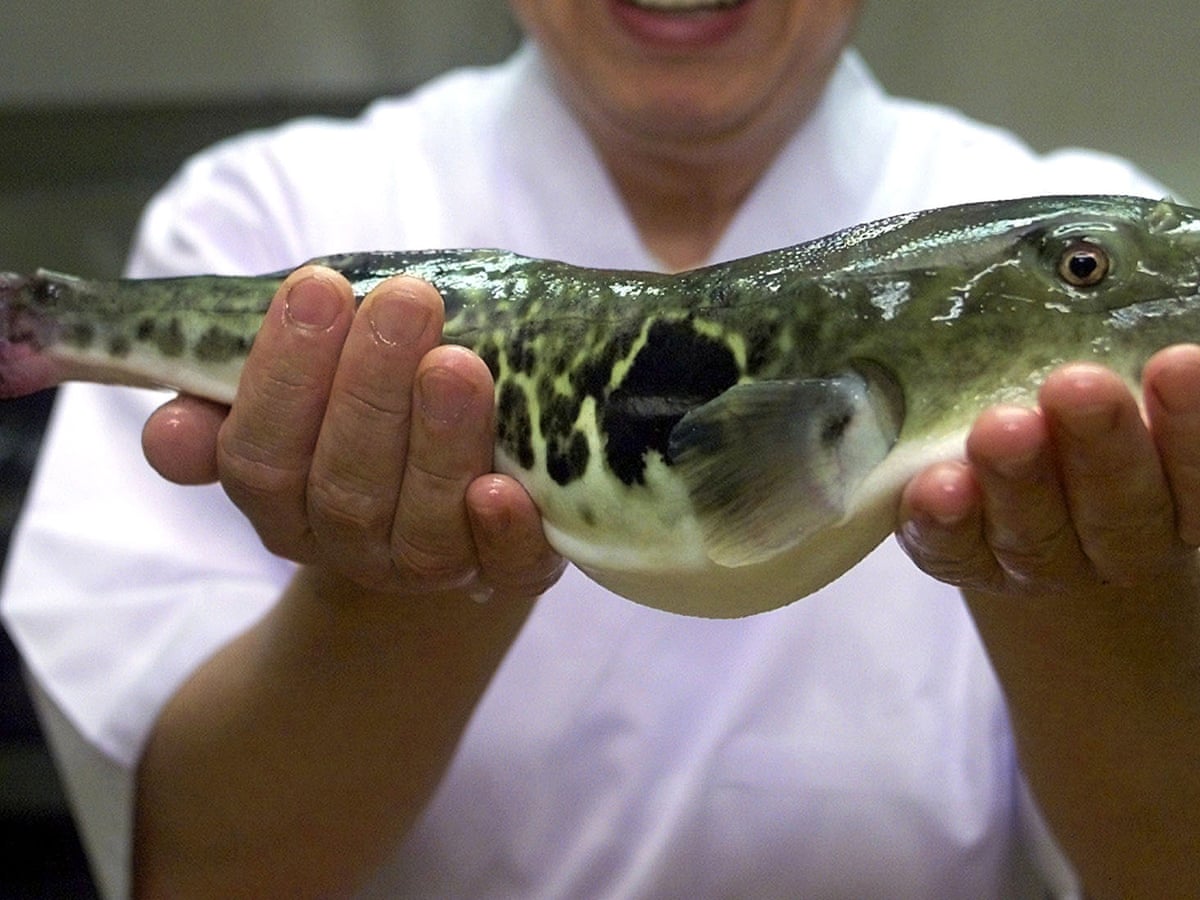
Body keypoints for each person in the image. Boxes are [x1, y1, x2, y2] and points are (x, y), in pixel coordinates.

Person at [4, 1, 1199, 897]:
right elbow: (201, 869)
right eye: (1088, 273)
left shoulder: (1082, 212)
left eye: (1082, 275)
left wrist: (1099, 579)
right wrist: (397, 581)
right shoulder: (263, 210)